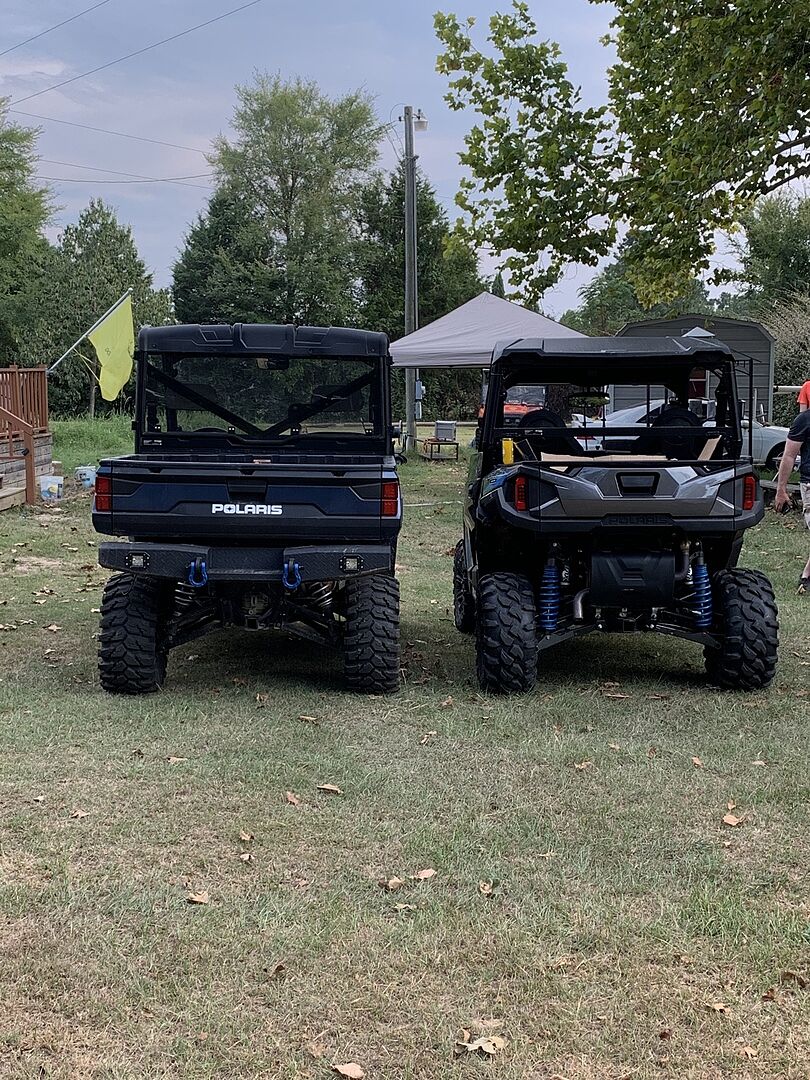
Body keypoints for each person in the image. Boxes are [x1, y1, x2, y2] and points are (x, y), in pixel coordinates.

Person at [775, 407, 810, 593]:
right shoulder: (804, 420)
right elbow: (788, 455)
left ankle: (806, 577)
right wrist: (781, 489)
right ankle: (806, 577)